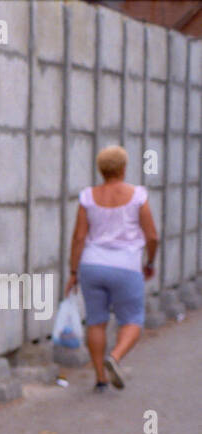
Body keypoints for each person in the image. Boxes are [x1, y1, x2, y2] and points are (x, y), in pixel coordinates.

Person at [65, 145, 158, 391]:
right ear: (124, 168)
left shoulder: (87, 196)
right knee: (133, 320)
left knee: (96, 321)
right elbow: (152, 236)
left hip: (92, 265)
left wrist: (73, 272)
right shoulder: (138, 196)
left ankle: (100, 379)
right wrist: (149, 262)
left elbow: (78, 237)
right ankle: (114, 358)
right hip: (126, 266)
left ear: (101, 169)